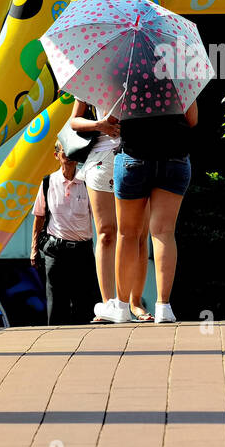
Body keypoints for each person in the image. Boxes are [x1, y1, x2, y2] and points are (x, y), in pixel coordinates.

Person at [96, 101, 198, 324]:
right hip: (175, 156)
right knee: (163, 232)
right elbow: (192, 119)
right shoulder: (180, 79)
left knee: (127, 234)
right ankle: (163, 307)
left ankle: (122, 307)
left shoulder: (124, 79)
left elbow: (110, 118)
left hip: (135, 154)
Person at [69, 101, 152, 322]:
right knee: (106, 233)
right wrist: (100, 124)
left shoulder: (141, 80)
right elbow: (74, 121)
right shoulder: (91, 80)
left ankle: (135, 303)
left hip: (136, 155)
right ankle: (108, 303)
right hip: (100, 159)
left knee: (139, 235)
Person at [31, 139, 101, 325]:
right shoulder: (48, 182)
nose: (68, 155)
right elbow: (39, 217)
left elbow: (99, 217)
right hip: (56, 250)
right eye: (64, 151)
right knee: (56, 304)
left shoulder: (87, 181)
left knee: (84, 304)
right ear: (56, 155)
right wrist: (34, 249)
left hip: (82, 251)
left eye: (72, 151)